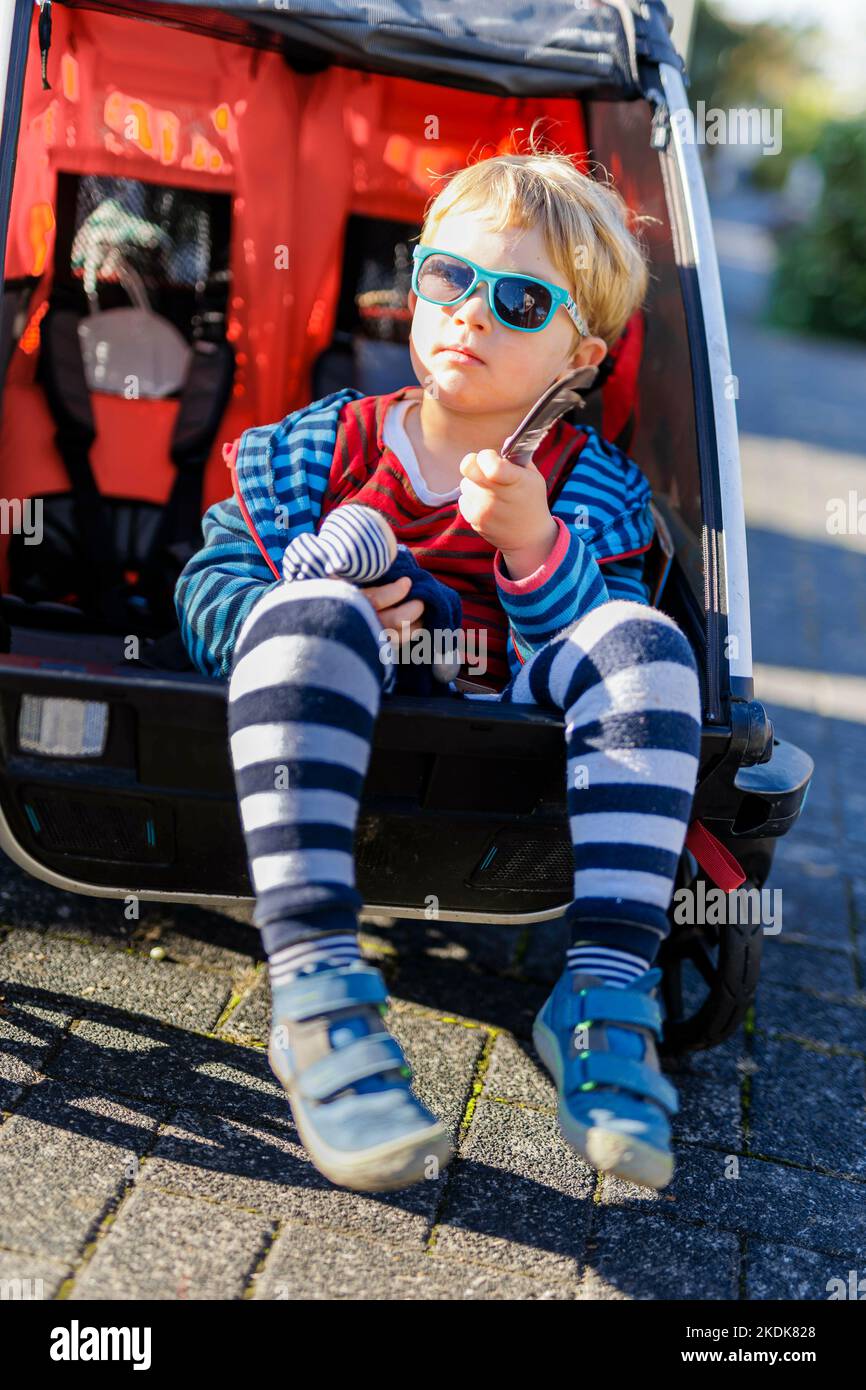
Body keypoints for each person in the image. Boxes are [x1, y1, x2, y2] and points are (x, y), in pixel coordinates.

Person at [175, 137, 702, 1195]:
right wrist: (296, 608)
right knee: (307, 600)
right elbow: (205, 583)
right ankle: (317, 989)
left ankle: (600, 990)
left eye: (516, 302)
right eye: (449, 277)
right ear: (414, 286)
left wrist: (532, 548)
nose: (468, 310)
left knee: (648, 644)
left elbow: (594, 651)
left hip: (501, 711)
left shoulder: (587, 491)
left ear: (577, 358)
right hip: (327, 709)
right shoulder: (317, 449)